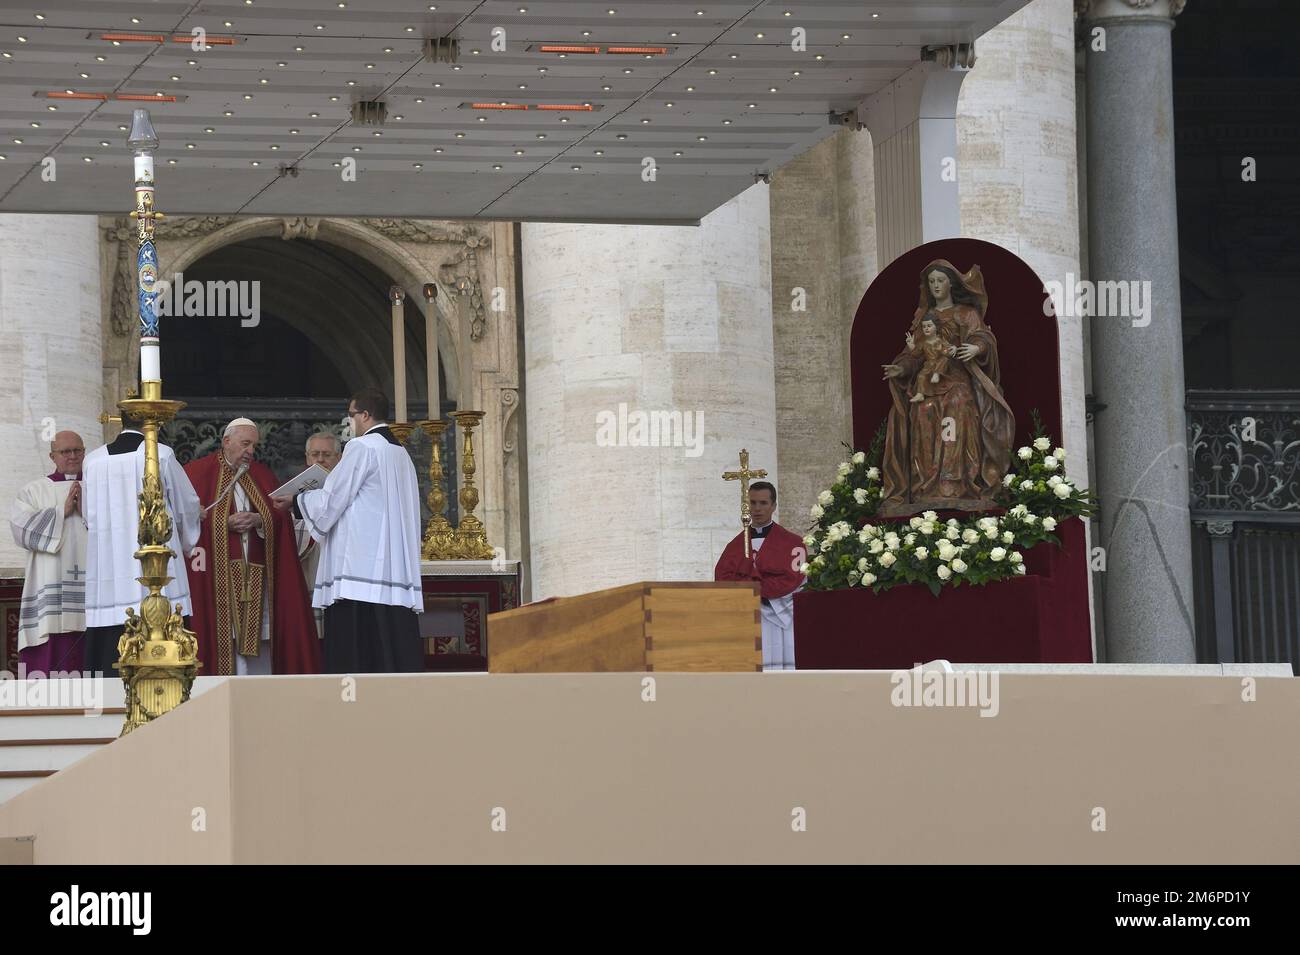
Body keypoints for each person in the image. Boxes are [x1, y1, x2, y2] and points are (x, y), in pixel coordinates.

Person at [274, 388, 424, 673]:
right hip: (392, 566)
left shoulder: (362, 447)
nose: (349, 422)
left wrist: (296, 502)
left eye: (351, 415)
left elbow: (334, 497)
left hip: (360, 570)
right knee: (389, 647)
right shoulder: (399, 452)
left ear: (365, 415)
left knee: (357, 650)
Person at [183, 418, 320, 676]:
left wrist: (259, 519)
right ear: (226, 442)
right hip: (216, 580)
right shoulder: (197, 473)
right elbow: (184, 518)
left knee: (261, 648)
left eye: (254, 446)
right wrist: (222, 521)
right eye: (245, 444)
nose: (250, 451)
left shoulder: (261, 474)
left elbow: (280, 516)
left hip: (257, 578)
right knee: (223, 640)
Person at [880, 260, 1015, 515]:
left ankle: (956, 483)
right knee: (922, 412)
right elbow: (916, 353)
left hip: (958, 381)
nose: (936, 286)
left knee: (959, 407)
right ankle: (927, 486)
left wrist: (977, 347)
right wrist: (902, 368)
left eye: (940, 281)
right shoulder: (925, 319)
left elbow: (983, 338)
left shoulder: (966, 313)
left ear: (951, 283)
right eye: (931, 282)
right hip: (928, 383)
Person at [83, 412, 201, 676]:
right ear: (154, 422)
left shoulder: (92, 460)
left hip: (109, 572)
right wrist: (188, 539)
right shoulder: (161, 454)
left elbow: (88, 517)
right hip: (157, 565)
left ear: (120, 421)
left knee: (110, 646)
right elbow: (187, 506)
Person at [8, 431, 88, 674]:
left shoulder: (98, 487)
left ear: (84, 452)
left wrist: (87, 511)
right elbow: (20, 529)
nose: (72, 456)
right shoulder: (34, 490)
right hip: (49, 585)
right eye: (65, 451)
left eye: (77, 450)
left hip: (91, 586)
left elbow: (118, 527)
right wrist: (60, 512)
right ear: (52, 456)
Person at [713, 481, 805, 671]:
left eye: (763, 503)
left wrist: (757, 589)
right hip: (748, 617)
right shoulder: (734, 546)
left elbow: (797, 580)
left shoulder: (792, 543)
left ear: (773, 506)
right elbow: (723, 578)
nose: (757, 508)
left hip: (780, 618)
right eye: (753, 503)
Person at [295, 431, 343, 639]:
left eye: (326, 454)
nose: (320, 459)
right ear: (307, 457)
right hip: (309, 574)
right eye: (315, 454)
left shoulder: (346, 486)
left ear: (339, 458)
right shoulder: (294, 490)